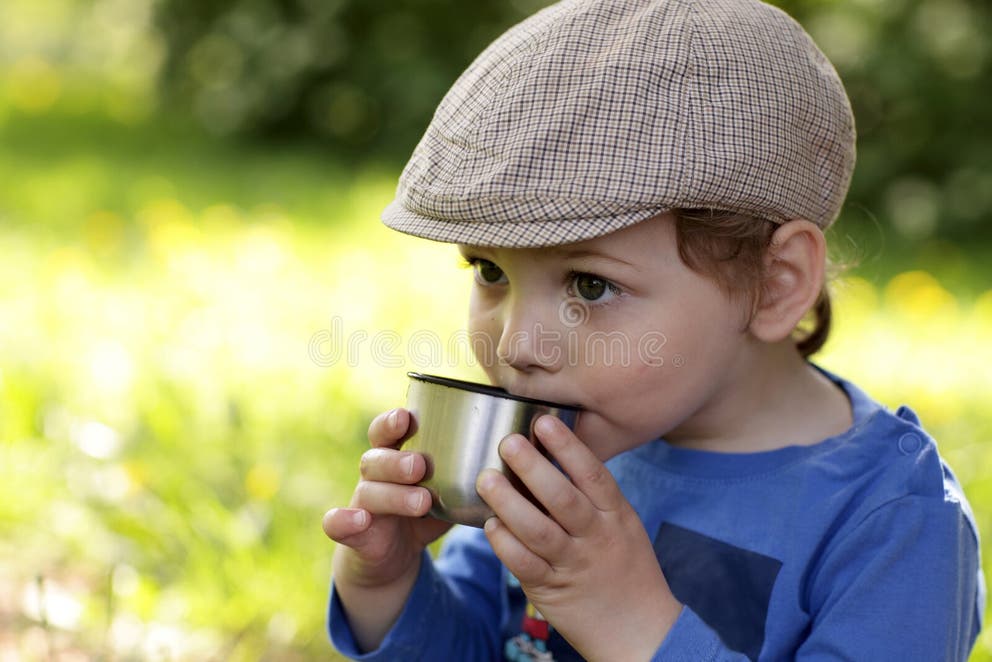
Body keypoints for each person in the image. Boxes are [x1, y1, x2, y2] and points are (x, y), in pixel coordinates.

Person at [322, 0, 985, 659]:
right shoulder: (564, 453)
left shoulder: (893, 524)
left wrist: (631, 622)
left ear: (776, 283)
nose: (518, 345)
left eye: (590, 285)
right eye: (490, 270)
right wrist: (385, 584)